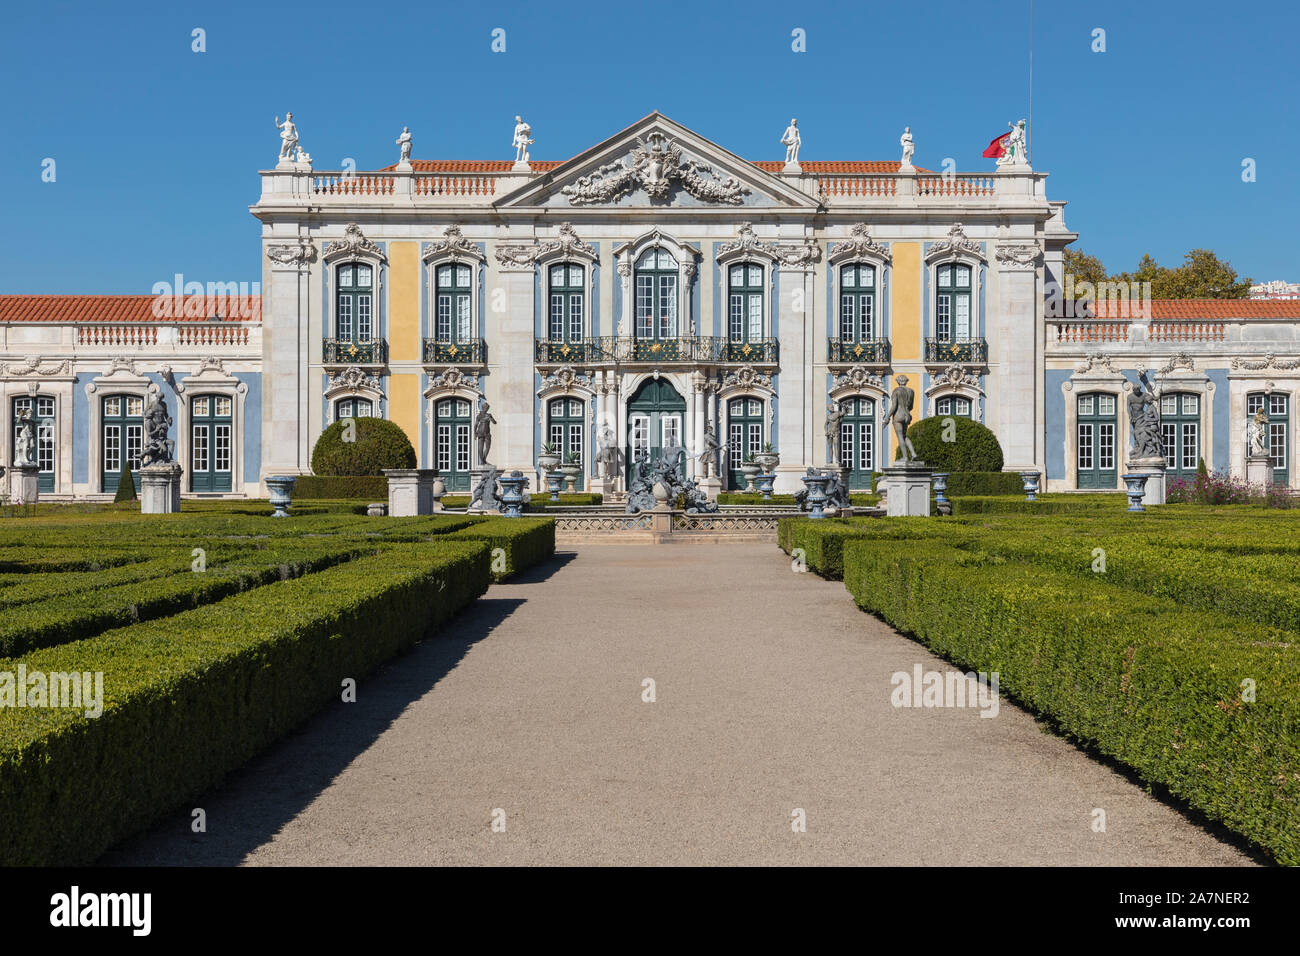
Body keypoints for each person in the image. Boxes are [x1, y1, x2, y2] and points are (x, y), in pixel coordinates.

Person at [887, 375, 918, 463]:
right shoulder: (911, 391)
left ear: (898, 381)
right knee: (905, 436)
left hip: (898, 415)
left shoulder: (896, 391)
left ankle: (905, 457)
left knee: (900, 436)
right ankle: (913, 453)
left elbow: (894, 406)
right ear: (906, 381)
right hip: (907, 416)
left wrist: (888, 416)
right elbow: (911, 406)